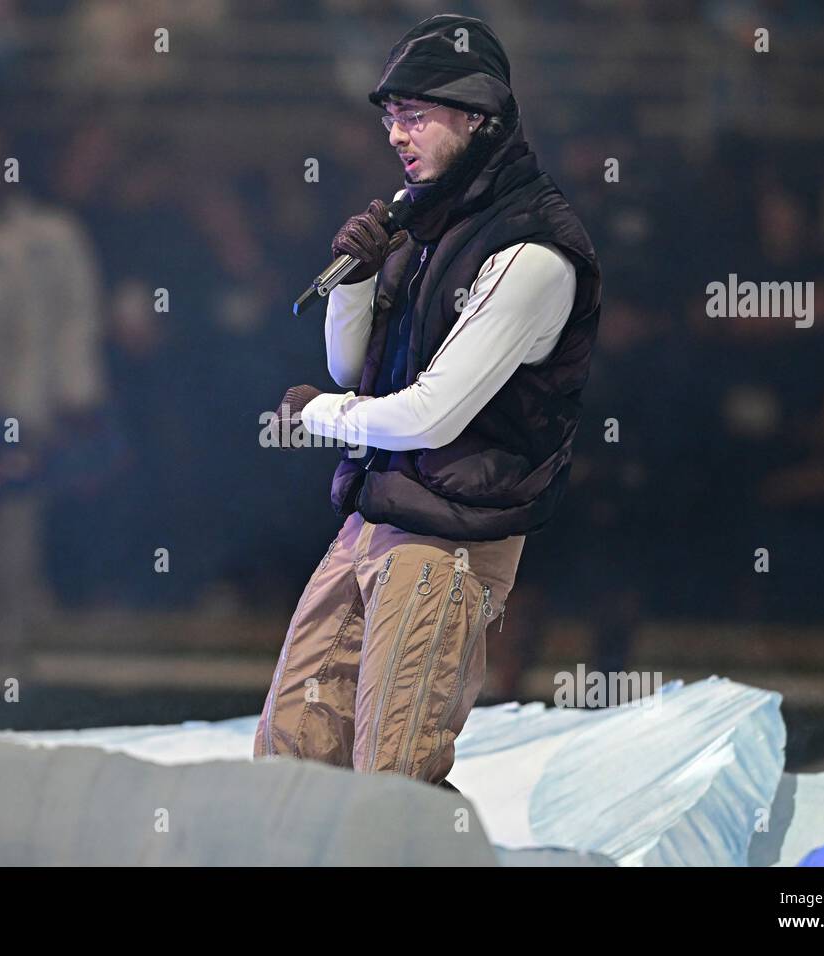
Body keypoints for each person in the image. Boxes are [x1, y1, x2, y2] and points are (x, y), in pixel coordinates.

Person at [254, 15, 603, 788]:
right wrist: (353, 283)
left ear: (478, 118)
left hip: (450, 542)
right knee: (290, 754)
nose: (395, 136)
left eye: (414, 116)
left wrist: (319, 415)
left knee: (396, 780)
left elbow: (431, 414)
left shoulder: (530, 250)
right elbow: (354, 368)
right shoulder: (427, 222)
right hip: (376, 514)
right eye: (389, 118)